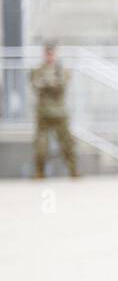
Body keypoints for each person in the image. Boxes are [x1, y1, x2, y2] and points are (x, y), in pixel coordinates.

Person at [30, 42, 78, 179]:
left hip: (60, 113)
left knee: (67, 143)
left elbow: (61, 85)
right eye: (47, 53)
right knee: (41, 146)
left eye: (52, 53)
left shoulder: (62, 70)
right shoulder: (38, 70)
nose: (50, 56)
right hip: (43, 113)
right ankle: (39, 172)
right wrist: (51, 83)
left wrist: (48, 83)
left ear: (56, 54)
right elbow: (36, 84)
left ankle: (73, 171)